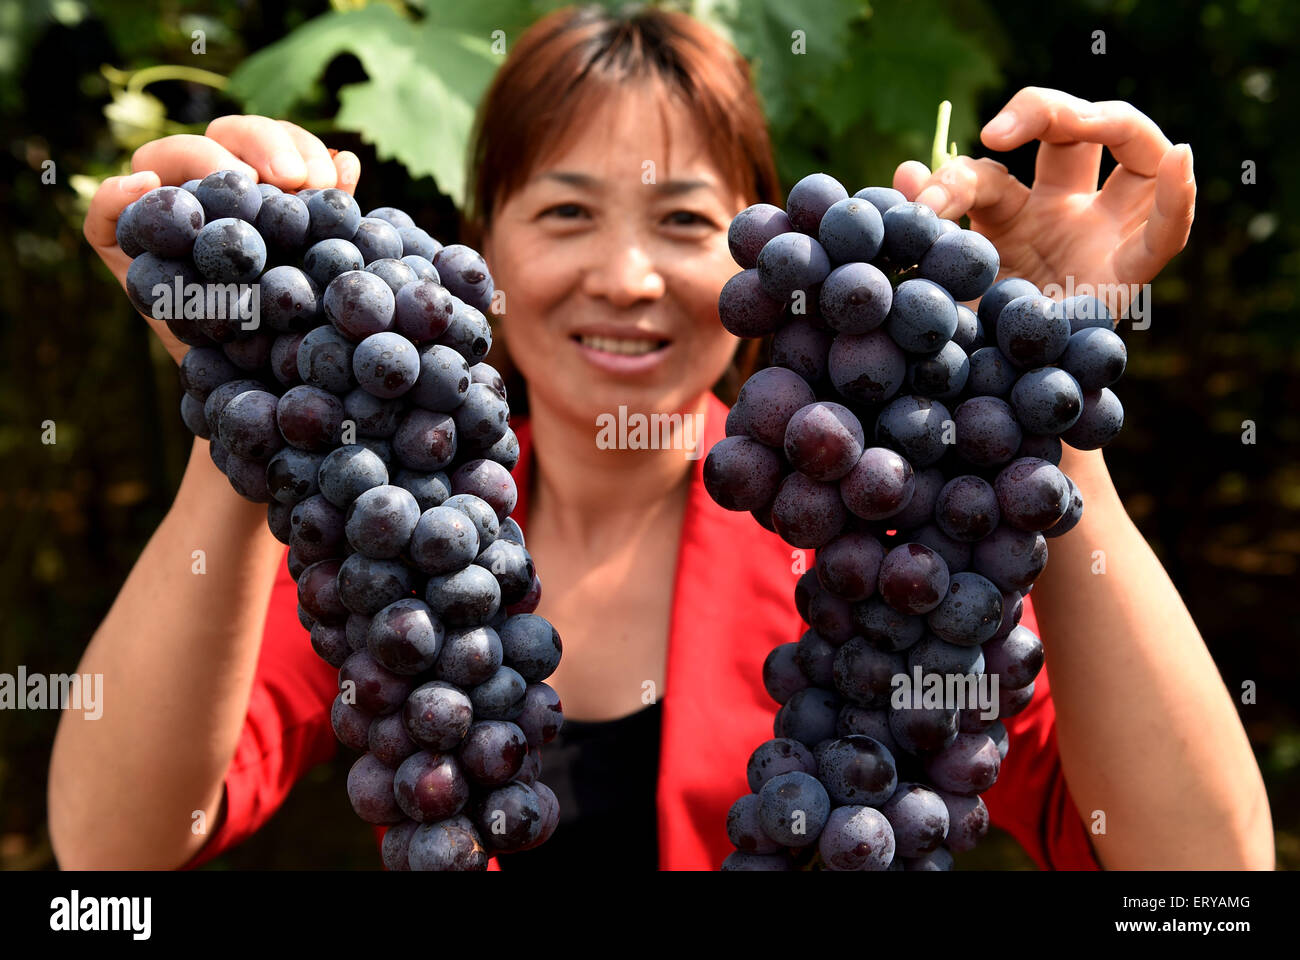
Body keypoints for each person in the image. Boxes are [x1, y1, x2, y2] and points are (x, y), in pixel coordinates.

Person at [52, 4, 1273, 870]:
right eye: (567, 210)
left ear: (764, 268)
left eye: (685, 219)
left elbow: (1199, 874)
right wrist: (250, 390)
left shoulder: (867, 537)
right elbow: (113, 848)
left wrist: (1037, 407)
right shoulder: (400, 541)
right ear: (483, 253)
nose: (626, 276)